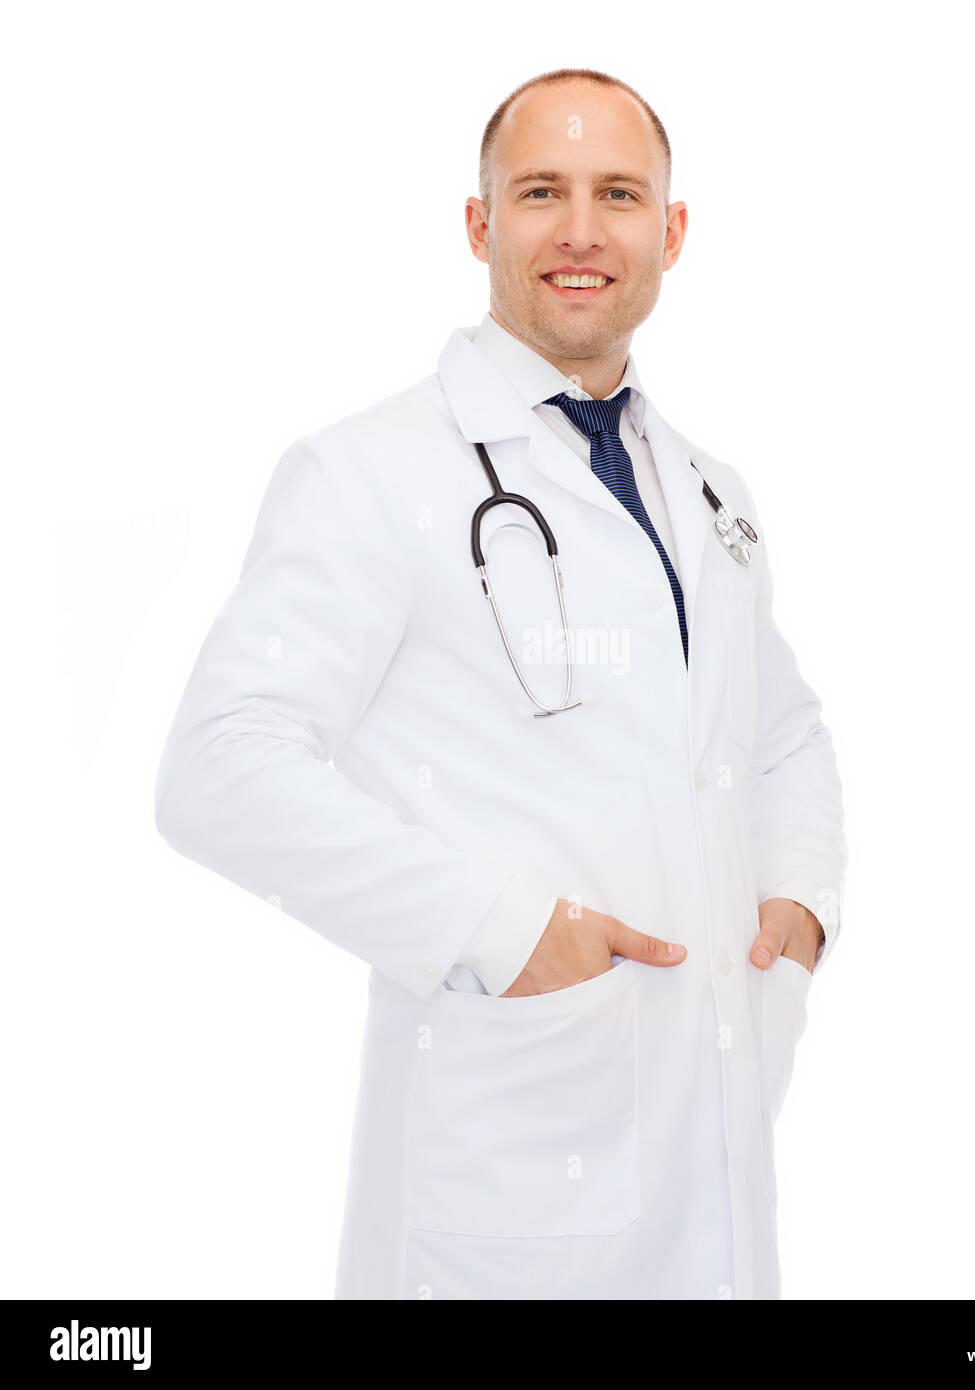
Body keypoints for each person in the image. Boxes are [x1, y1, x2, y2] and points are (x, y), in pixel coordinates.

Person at [154, 66, 848, 1301]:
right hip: (506, 1174)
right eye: (540, 193)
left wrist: (797, 905)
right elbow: (220, 764)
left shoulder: (711, 493)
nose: (582, 230)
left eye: (619, 194)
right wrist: (502, 930)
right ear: (479, 225)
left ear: (673, 232)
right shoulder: (369, 473)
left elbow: (780, 732)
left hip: (715, 1137)